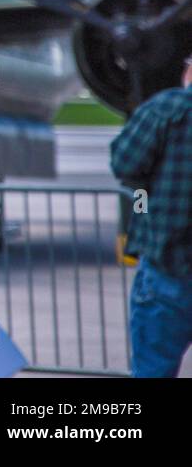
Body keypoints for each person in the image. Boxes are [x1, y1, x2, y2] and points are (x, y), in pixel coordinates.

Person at [111, 53, 192, 378]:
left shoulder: (166, 108)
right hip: (167, 267)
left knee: (153, 371)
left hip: (167, 266)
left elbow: (124, 163)